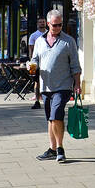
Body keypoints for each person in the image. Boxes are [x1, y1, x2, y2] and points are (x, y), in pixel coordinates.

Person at [33, 9, 82, 163]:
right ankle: (52, 149)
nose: (58, 27)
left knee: (56, 116)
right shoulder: (40, 41)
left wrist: (77, 84)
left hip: (63, 85)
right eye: (55, 25)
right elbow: (35, 59)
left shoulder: (69, 41)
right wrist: (32, 66)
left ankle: (60, 149)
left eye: (60, 25)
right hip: (46, 86)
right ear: (48, 24)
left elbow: (75, 65)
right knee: (50, 119)